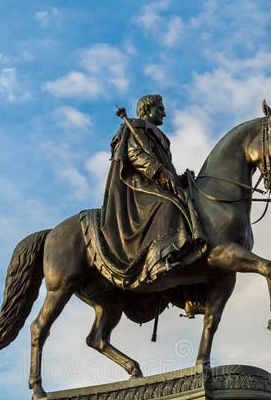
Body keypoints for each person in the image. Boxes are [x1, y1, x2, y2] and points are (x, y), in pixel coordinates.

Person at [83, 94, 205, 288]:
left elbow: (168, 168)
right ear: (147, 110)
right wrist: (158, 172)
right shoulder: (136, 127)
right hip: (138, 185)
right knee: (168, 205)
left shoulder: (161, 137)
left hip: (158, 182)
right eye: (160, 108)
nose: (164, 112)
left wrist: (178, 178)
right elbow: (134, 154)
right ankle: (158, 260)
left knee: (188, 200)